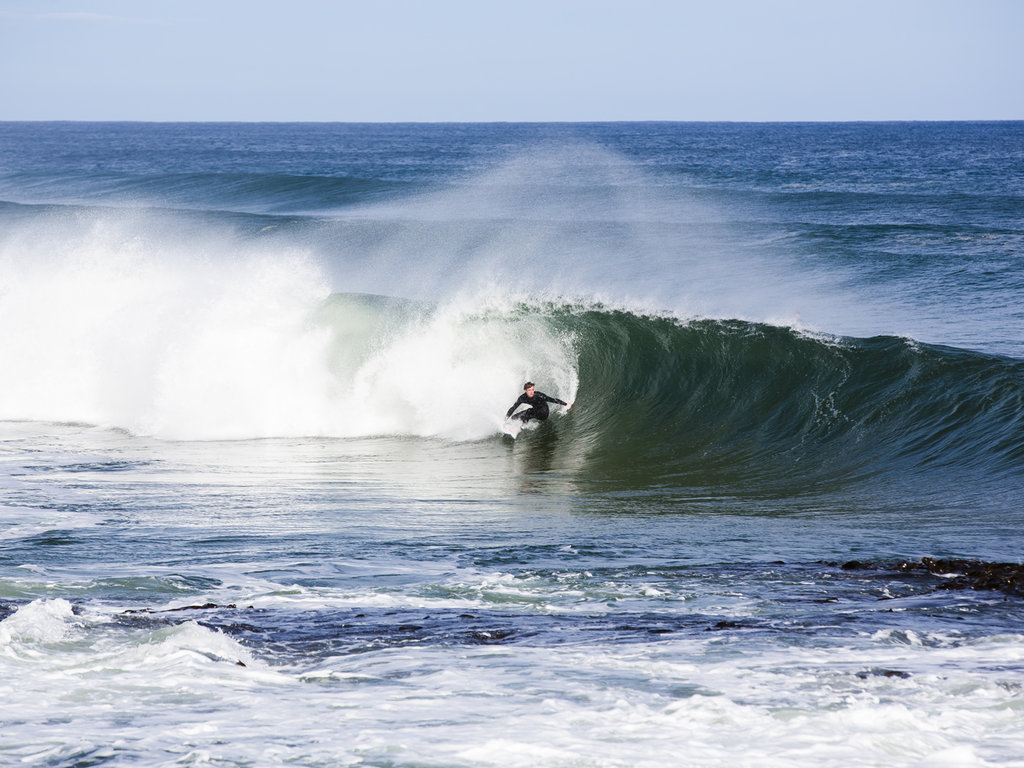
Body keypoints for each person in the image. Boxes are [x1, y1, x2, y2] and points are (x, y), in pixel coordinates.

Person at [505, 382, 573, 424]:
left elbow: (552, 400)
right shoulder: (522, 398)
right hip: (535, 411)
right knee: (514, 417)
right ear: (525, 391)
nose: (531, 392)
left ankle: (520, 426)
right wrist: (505, 420)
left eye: (532, 390)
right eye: (529, 390)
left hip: (544, 413)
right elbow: (513, 408)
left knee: (528, 412)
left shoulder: (539, 395)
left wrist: (566, 404)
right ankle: (512, 425)